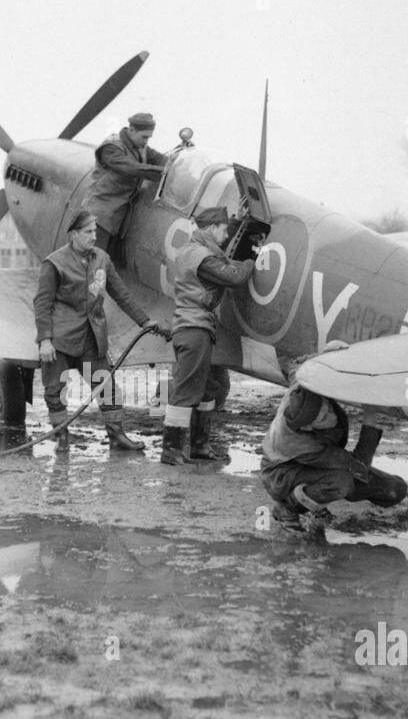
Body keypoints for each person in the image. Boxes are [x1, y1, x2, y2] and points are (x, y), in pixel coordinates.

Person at [33, 210, 169, 452]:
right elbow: (42, 304)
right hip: (60, 341)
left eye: (95, 231)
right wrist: (44, 340)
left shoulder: (102, 259)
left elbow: (122, 294)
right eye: (88, 232)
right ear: (74, 234)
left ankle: (117, 437)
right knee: (55, 391)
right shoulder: (54, 263)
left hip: (92, 339)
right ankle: (62, 438)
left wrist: (144, 321)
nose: (94, 236)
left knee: (107, 388)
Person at [160, 206, 255, 465]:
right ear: (212, 228)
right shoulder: (200, 256)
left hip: (199, 327)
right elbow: (234, 277)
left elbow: (219, 250)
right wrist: (251, 260)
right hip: (193, 328)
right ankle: (171, 450)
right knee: (186, 390)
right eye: (223, 231)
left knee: (208, 389)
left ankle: (200, 445)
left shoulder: (195, 250)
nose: (225, 237)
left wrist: (236, 223)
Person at [260, 383, 408, 533]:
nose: (331, 415)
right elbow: (359, 465)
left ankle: (314, 501)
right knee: (341, 483)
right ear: (308, 428)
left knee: (394, 489)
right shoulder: (305, 446)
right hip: (282, 474)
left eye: (328, 408)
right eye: (323, 418)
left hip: (313, 462)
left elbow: (295, 368)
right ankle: (287, 508)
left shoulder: (303, 390)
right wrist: (370, 412)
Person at [85, 112, 167, 261]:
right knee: (93, 265)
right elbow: (131, 168)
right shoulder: (111, 148)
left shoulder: (139, 145)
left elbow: (161, 159)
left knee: (107, 265)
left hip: (118, 217)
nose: (146, 142)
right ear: (132, 130)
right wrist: (163, 172)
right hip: (100, 217)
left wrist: (178, 166)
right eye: (144, 137)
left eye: (149, 138)